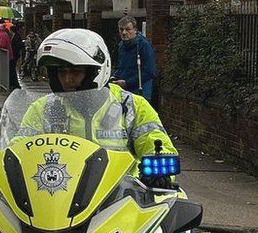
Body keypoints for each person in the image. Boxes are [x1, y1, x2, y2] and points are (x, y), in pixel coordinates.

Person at [20, 28, 175, 161]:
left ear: (95, 72)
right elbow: (19, 146)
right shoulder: (44, 108)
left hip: (121, 193)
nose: (67, 80)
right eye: (61, 72)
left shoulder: (131, 106)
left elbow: (156, 144)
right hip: (60, 192)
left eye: (75, 72)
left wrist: (159, 172)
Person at [111, 15, 156, 101]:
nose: (124, 32)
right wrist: (114, 77)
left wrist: (127, 83)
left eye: (128, 29)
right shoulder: (121, 45)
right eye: (121, 29)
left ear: (135, 30)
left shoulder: (144, 45)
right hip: (124, 92)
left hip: (140, 93)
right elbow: (121, 67)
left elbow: (150, 72)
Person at [9, 23, 23, 90]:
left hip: (15, 55)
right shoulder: (16, 36)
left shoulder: (16, 37)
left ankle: (15, 84)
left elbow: (17, 47)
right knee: (12, 69)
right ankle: (14, 83)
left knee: (12, 69)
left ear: (12, 30)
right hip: (15, 55)